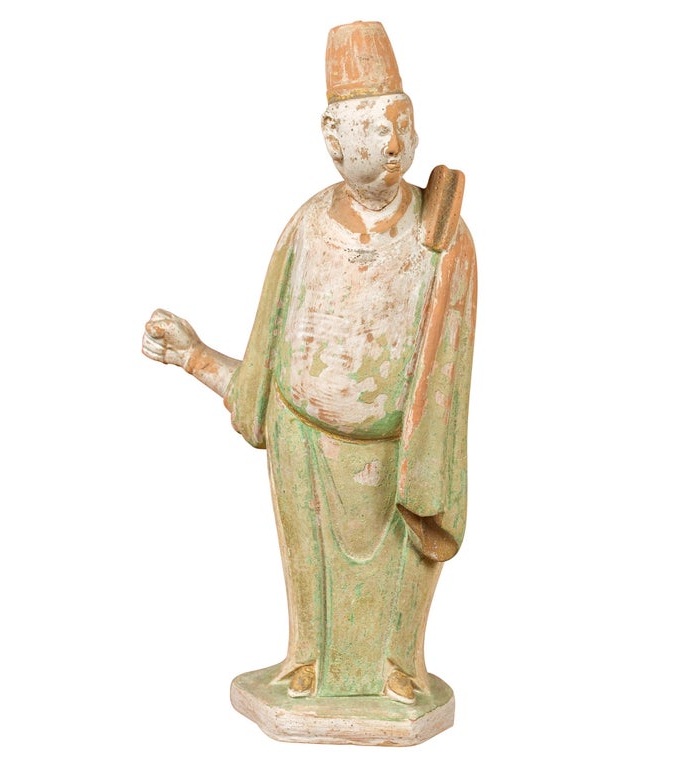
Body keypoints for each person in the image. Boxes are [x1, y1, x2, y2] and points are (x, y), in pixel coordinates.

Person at [143, 21, 476, 709]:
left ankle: (399, 663)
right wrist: (195, 356)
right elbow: (264, 371)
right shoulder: (305, 227)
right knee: (309, 564)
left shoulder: (443, 236)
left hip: (400, 450)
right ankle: (310, 660)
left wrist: (424, 439)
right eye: (374, 128)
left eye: (402, 126)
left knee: (405, 554)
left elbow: (450, 369)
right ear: (332, 137)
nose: (393, 144)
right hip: (305, 443)